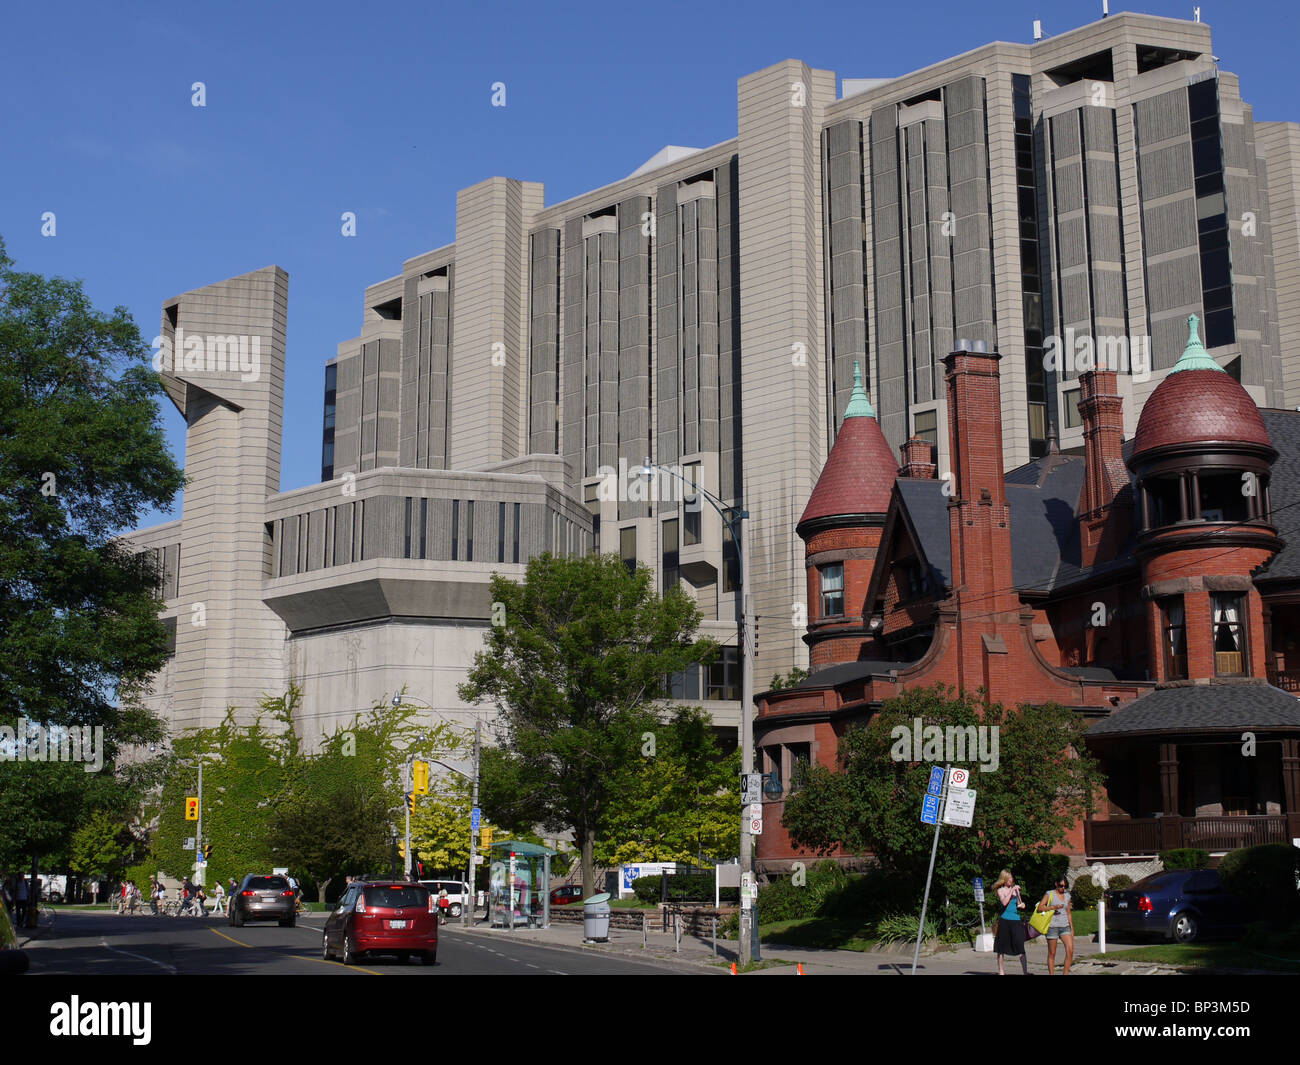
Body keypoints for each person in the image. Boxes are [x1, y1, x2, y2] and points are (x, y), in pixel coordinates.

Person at [993, 869, 1030, 975]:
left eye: (1011, 877)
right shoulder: (1001, 890)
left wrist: (1021, 905)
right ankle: (1001, 970)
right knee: (1001, 947)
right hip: (1004, 920)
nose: (1011, 879)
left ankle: (1025, 972)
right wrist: (1012, 889)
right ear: (1004, 879)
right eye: (1009, 878)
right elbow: (1004, 902)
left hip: (1015, 920)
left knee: (1020, 945)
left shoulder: (1015, 890)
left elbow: (1019, 903)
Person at [1037, 874, 1075, 975]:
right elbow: (1040, 908)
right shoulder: (1049, 894)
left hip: (1065, 926)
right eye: (1061, 886)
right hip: (1052, 926)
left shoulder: (1067, 896)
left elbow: (1068, 913)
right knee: (1052, 953)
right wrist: (1053, 907)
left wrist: (1072, 928)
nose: (1063, 888)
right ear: (1056, 884)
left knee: (1070, 950)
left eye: (1065, 886)